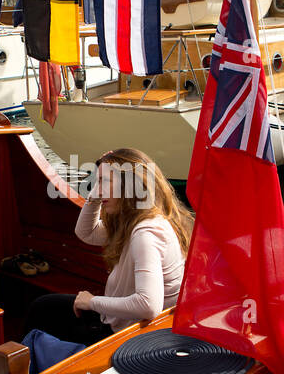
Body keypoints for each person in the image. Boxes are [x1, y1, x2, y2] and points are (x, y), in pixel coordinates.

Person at [25, 147, 193, 344]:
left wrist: (92, 302)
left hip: (130, 335)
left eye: (104, 182)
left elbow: (148, 306)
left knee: (43, 317)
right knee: (43, 306)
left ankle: (26, 369)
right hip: (122, 321)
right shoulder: (132, 220)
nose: (98, 188)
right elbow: (86, 233)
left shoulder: (146, 233)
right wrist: (97, 193)